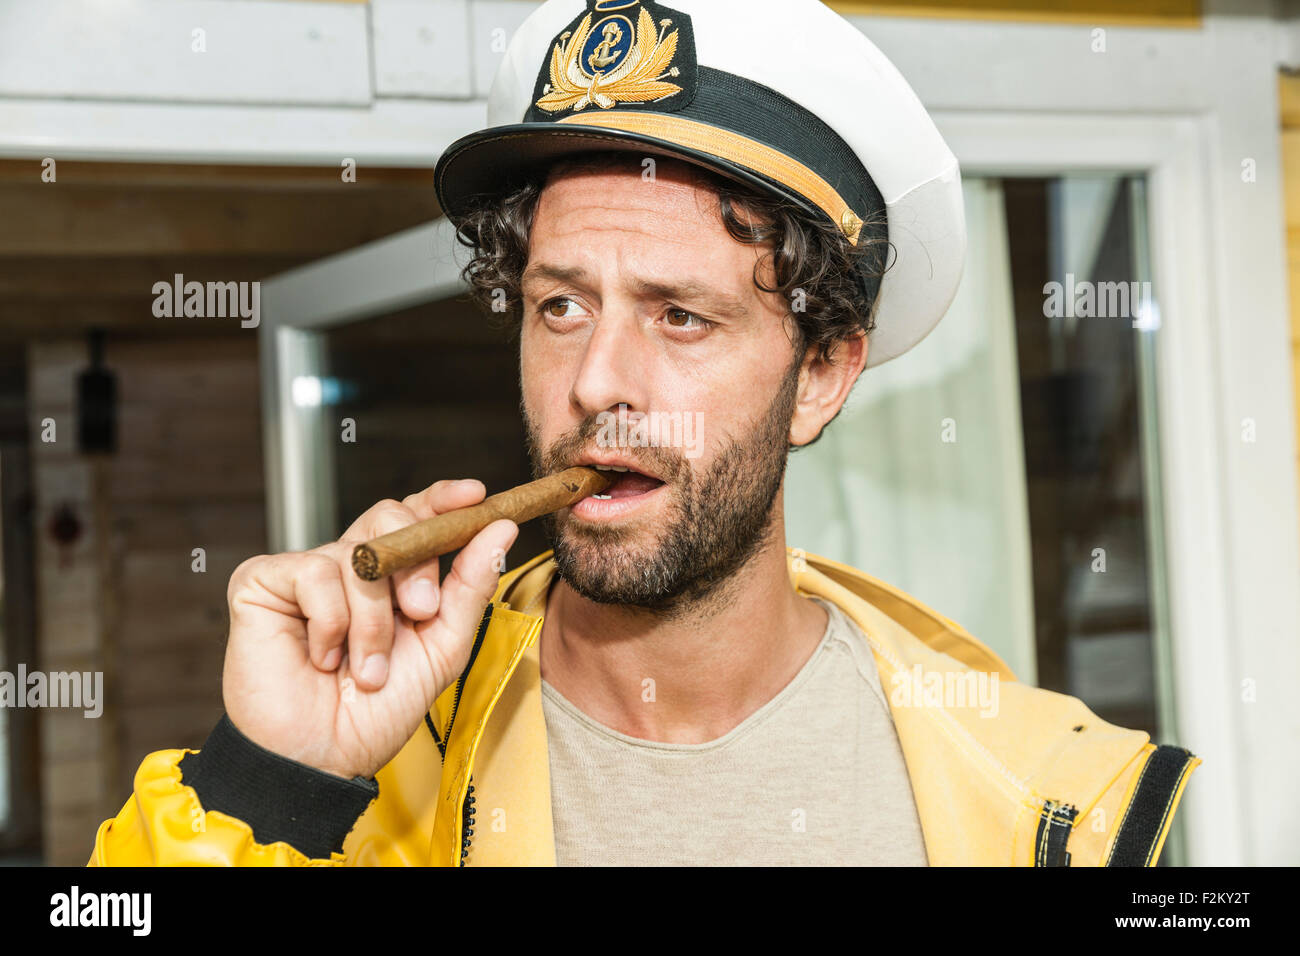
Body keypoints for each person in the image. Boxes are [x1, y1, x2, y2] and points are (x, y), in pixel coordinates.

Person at [89, 0, 1198, 867]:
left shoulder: (1038, 793)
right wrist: (267, 784)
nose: (596, 380)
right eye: (559, 305)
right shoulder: (380, 774)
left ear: (820, 373)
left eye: (679, 313)